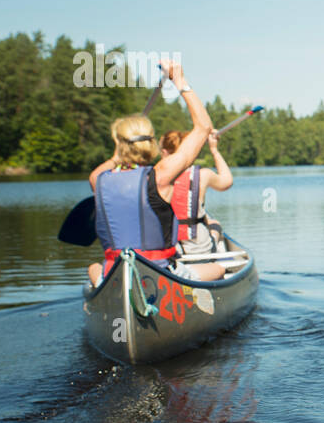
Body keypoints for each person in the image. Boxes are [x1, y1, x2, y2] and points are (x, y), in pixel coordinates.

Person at [86, 64, 226, 286]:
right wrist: (180, 81)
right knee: (218, 269)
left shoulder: (99, 179)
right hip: (160, 273)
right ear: (150, 142)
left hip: (116, 273)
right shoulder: (160, 176)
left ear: (118, 144)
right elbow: (203, 127)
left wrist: (121, 144)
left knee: (93, 267)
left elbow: (112, 162)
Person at [158, 126, 234, 257]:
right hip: (198, 248)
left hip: (169, 246)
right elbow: (226, 182)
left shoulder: (154, 176)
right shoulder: (202, 175)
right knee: (215, 224)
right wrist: (214, 150)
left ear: (164, 153)